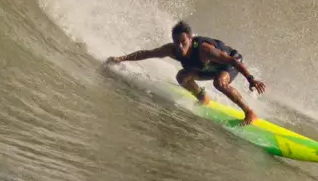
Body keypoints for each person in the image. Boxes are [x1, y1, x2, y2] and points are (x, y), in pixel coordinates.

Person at [105, 21, 268, 124]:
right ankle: (203, 98)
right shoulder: (171, 50)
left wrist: (251, 79)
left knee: (219, 83)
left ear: (191, 39)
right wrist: (120, 58)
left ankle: (249, 113)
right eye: (177, 42)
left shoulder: (205, 50)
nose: (180, 46)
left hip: (231, 62)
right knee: (182, 76)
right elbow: (147, 53)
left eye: (183, 42)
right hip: (207, 68)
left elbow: (232, 62)